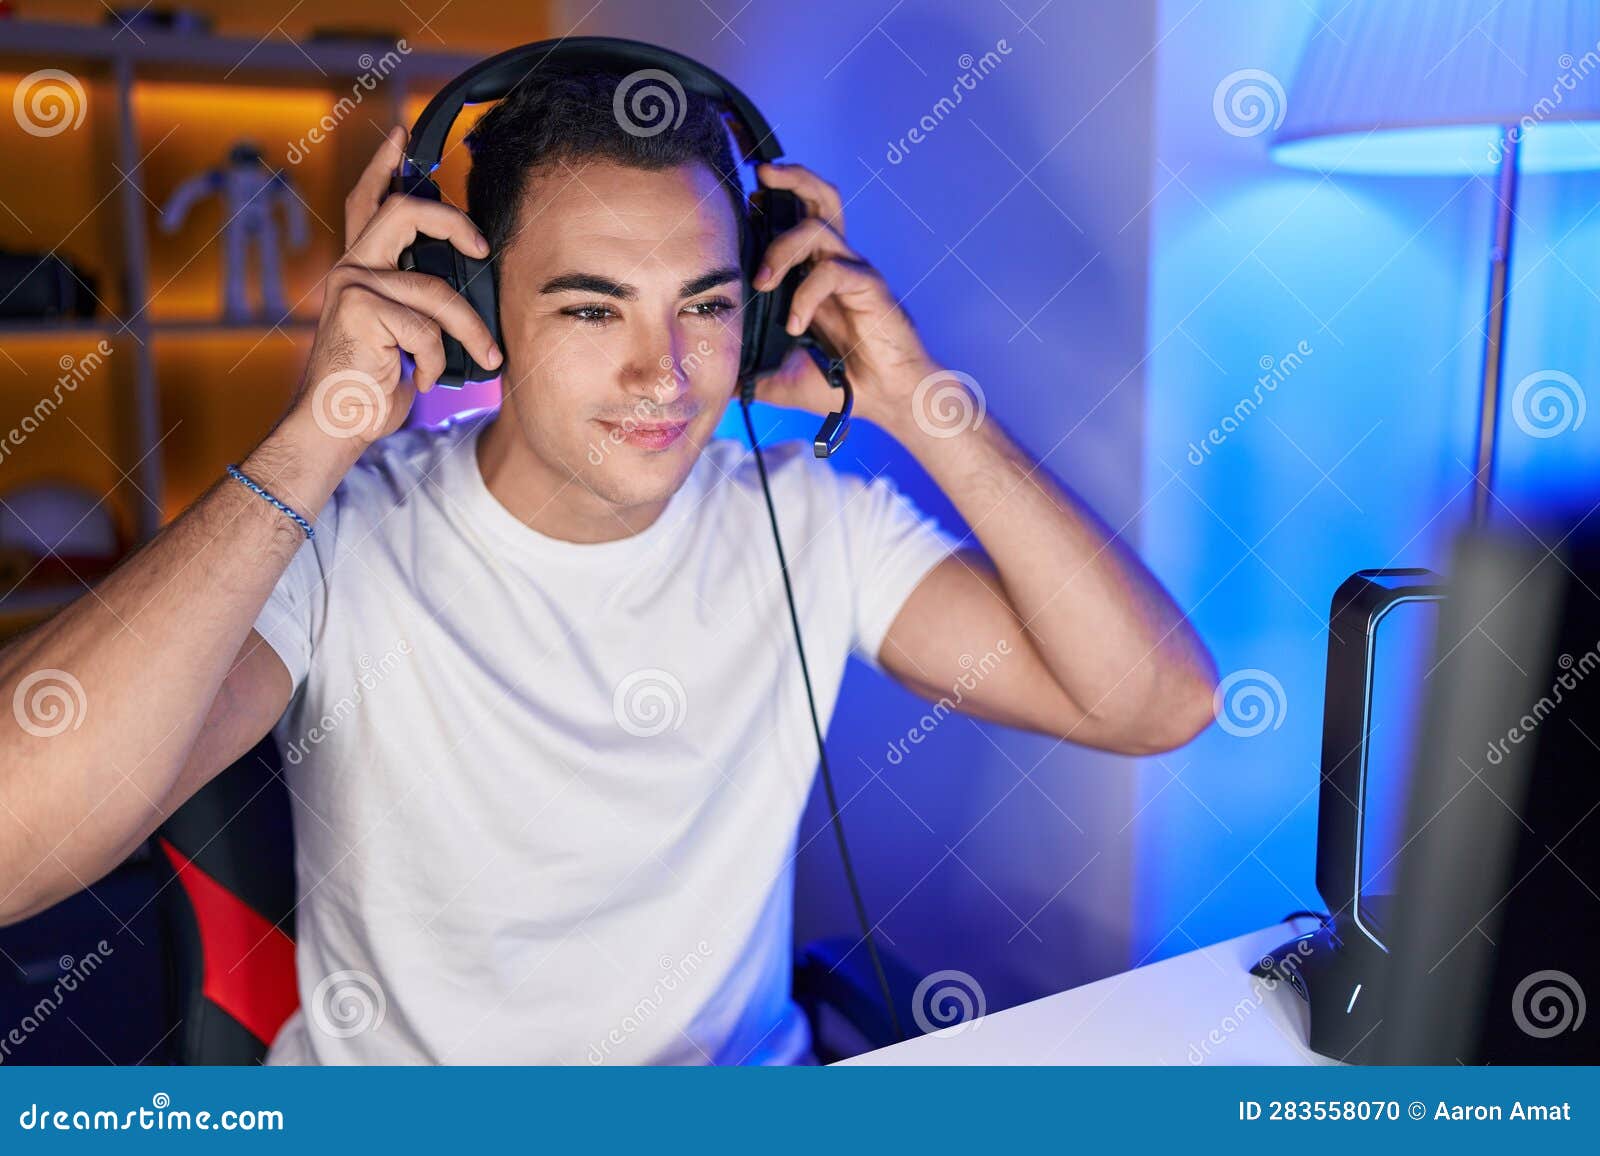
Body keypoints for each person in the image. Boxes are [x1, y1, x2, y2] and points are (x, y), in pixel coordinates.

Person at [0, 66, 1216, 1064]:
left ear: (765, 311)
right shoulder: (342, 532)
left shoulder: (811, 520)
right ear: (470, 305)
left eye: (706, 306)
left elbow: (1158, 702)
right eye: (591, 309)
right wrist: (320, 429)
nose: (662, 375)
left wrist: (913, 398)